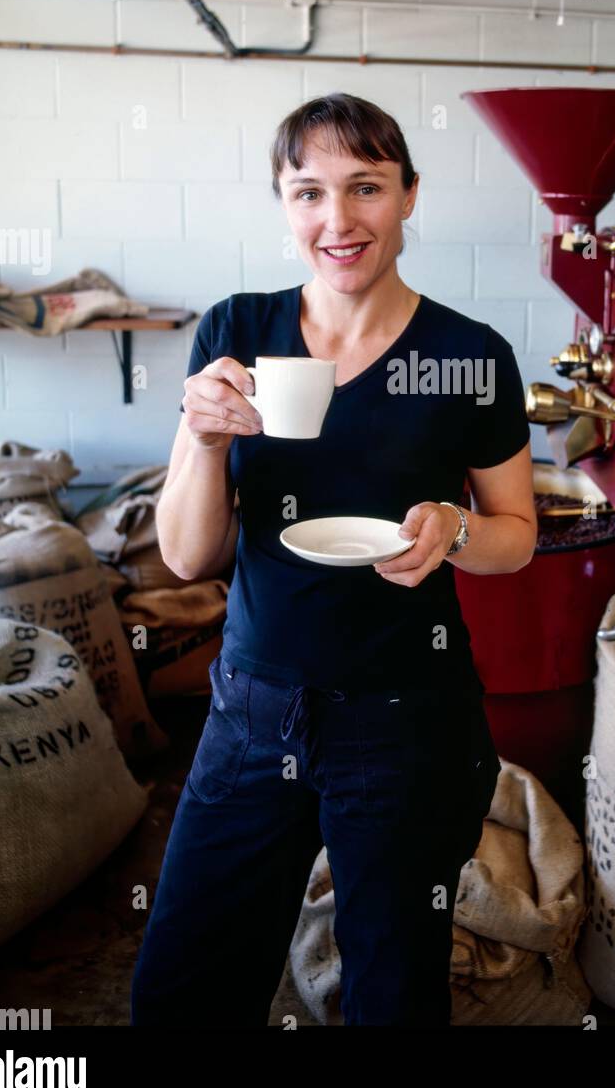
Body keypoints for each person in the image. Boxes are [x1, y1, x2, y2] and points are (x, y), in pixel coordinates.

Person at [129, 92, 536, 1028]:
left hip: (406, 723)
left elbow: (516, 532)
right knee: (182, 987)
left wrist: (456, 530)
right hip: (251, 713)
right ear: (283, 204)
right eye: (308, 192)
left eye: (365, 188)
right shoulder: (237, 329)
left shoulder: (469, 356)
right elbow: (191, 557)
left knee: (392, 996)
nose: (337, 220)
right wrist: (201, 437)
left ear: (407, 197)